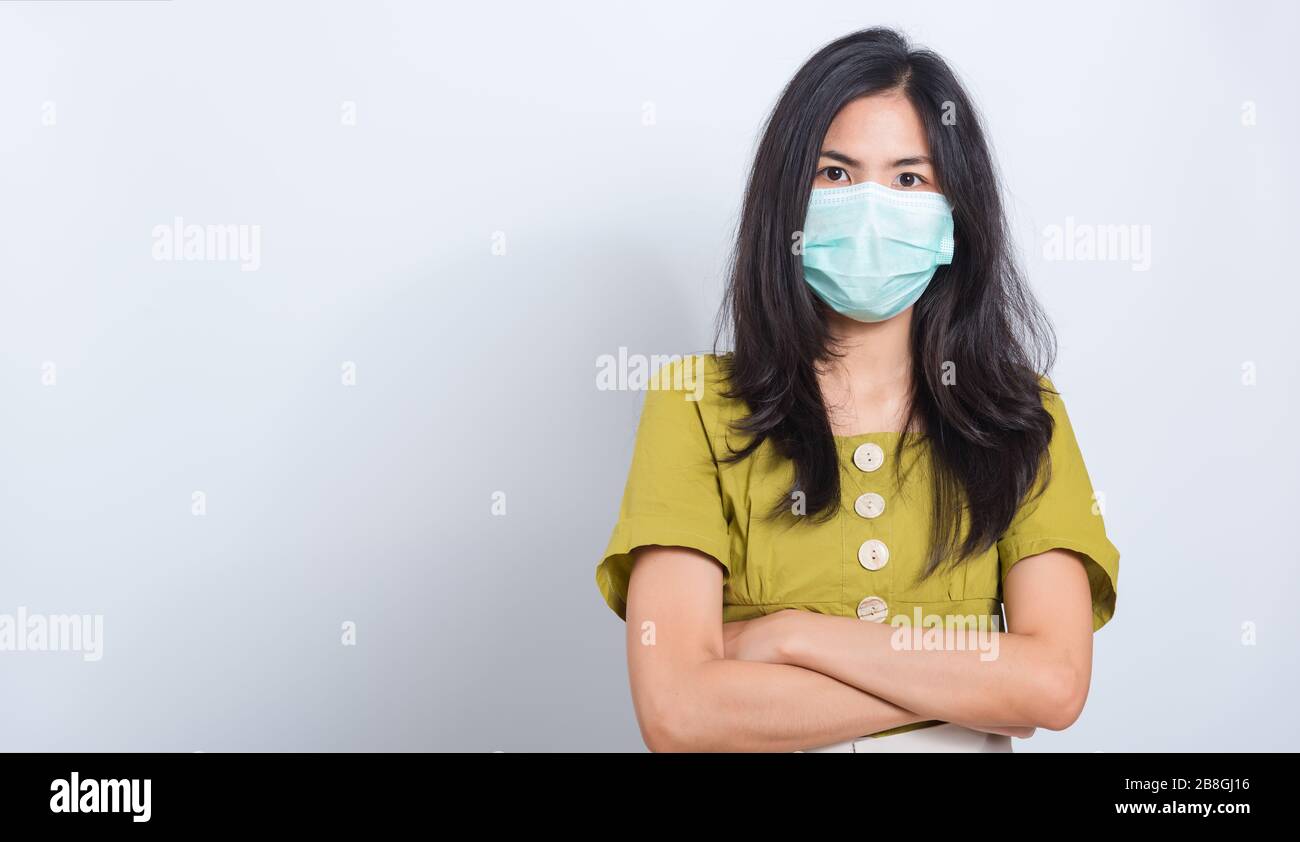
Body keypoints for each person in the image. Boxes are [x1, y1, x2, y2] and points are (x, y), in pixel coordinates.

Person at [596, 27, 1120, 753]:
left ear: (953, 218)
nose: (872, 206)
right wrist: (974, 681)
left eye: (910, 179)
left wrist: (789, 636)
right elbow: (679, 713)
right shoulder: (692, 404)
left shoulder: (1021, 416)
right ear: (787, 205)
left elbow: (1053, 685)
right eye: (836, 174)